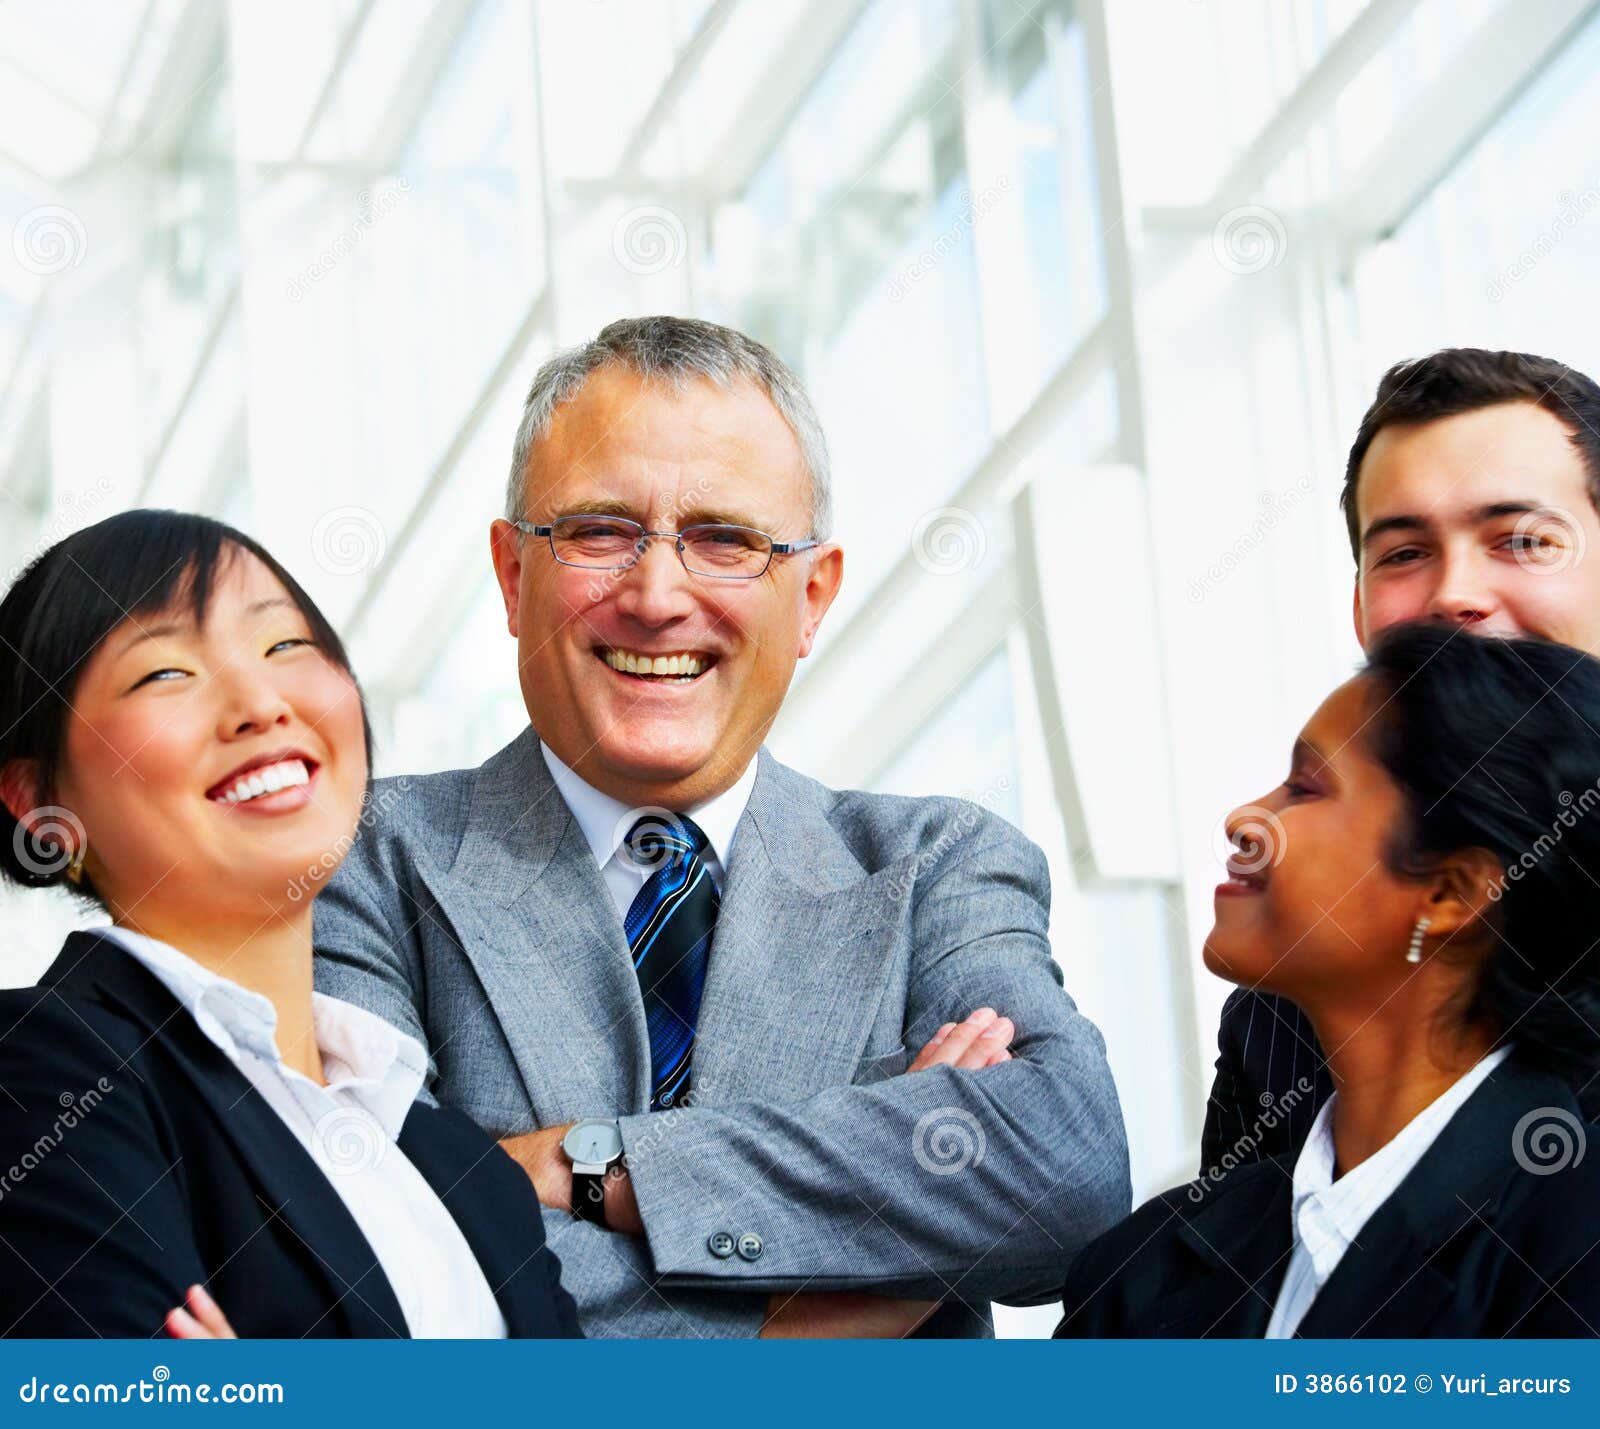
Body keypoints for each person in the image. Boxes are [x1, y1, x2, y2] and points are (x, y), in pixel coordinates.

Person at [314, 315, 1131, 1338]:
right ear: (514, 576)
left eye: (725, 540)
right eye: (601, 531)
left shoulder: (937, 868)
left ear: (812, 597)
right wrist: (825, 1304)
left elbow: (1066, 1174)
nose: (658, 595)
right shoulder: (360, 859)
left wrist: (584, 1165)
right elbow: (371, 1272)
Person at [0, 511, 578, 1339]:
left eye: (284, 647)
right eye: (165, 673)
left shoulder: (466, 1171)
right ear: (37, 804)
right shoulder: (37, 1078)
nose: (260, 704)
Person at [1059, 623, 1600, 1337]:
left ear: (1452, 894)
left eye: (1305, 788)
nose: (1245, 818)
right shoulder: (1140, 1271)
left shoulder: (1573, 1243)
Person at [1204, 347, 1600, 1170]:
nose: (1455, 592)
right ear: (1360, 612)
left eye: (1522, 539)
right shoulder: (1287, 1007)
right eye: (1404, 553)